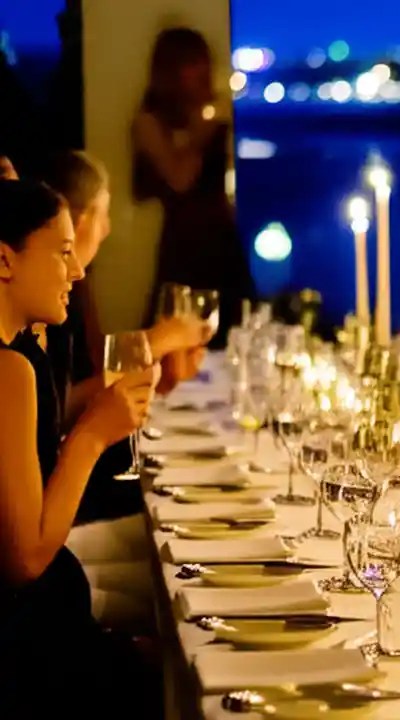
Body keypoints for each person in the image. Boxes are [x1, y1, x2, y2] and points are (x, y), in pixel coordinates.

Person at [0, 179, 158, 716]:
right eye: (63, 254)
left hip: (50, 628)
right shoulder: (7, 371)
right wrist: (93, 433)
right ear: (5, 259)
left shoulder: (21, 354)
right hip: (32, 653)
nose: (78, 271)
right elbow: (25, 559)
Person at [41, 151, 207, 632]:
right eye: (105, 212)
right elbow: (63, 410)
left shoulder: (67, 293)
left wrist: (161, 374)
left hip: (62, 523)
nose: (108, 229)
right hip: (57, 530)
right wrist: (153, 343)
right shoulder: (34, 318)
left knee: (177, 555)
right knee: (182, 599)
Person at [133, 27, 253, 345]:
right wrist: (200, 132)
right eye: (192, 63)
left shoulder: (212, 119)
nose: (202, 72)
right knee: (179, 338)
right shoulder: (151, 121)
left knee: (235, 331)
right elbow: (179, 178)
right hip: (184, 246)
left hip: (222, 242)